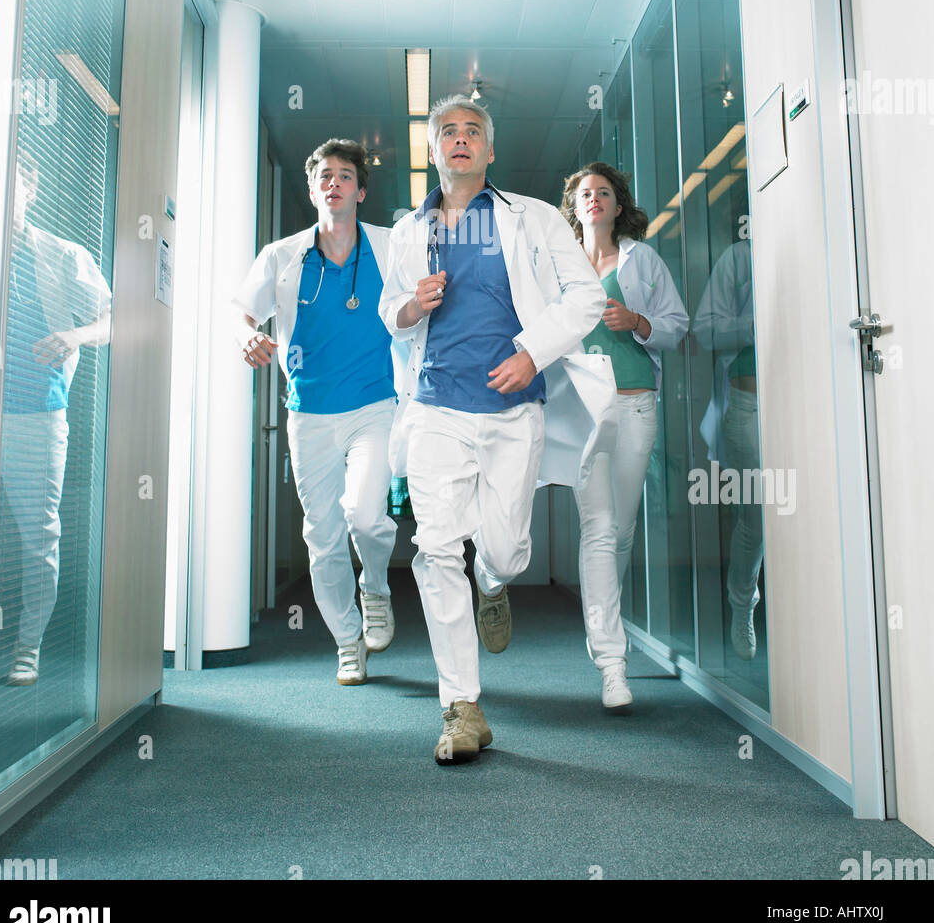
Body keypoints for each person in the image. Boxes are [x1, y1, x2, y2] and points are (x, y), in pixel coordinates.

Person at [379, 96, 611, 764]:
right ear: (431, 151)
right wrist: (406, 307)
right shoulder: (406, 231)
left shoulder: (533, 217)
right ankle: (461, 707)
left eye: (471, 132)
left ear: (488, 150)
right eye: (445, 131)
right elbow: (388, 315)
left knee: (505, 552)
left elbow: (585, 297)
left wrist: (531, 352)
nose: (458, 139)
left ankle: (495, 583)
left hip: (513, 409)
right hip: (435, 407)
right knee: (435, 547)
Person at [231, 139, 405, 685]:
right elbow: (242, 312)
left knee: (365, 513)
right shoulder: (281, 256)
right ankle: (347, 639)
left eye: (345, 175)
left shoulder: (389, 247)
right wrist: (247, 336)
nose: (334, 183)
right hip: (309, 413)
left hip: (375, 404)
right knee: (323, 534)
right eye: (324, 175)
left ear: (361, 190)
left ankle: (375, 586)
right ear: (312, 189)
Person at [560, 162, 689, 709]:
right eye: (585, 193)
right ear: (574, 206)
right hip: (582, 411)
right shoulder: (558, 266)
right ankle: (612, 662)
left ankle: (603, 615)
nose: (594, 200)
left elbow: (677, 326)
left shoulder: (643, 259)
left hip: (635, 403)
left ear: (617, 205)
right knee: (599, 527)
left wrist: (636, 322)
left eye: (603, 192)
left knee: (621, 529)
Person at [2, 154, 112, 685]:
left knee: (36, 533)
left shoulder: (63, 255)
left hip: (36, 414)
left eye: (13, 181)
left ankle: (27, 645)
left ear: (31, 187)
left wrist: (73, 337)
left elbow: (112, 319)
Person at [693, 232, 762, 661]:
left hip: (810, 404)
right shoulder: (740, 256)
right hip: (749, 404)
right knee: (756, 518)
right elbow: (706, 329)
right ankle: (744, 607)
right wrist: (758, 323)